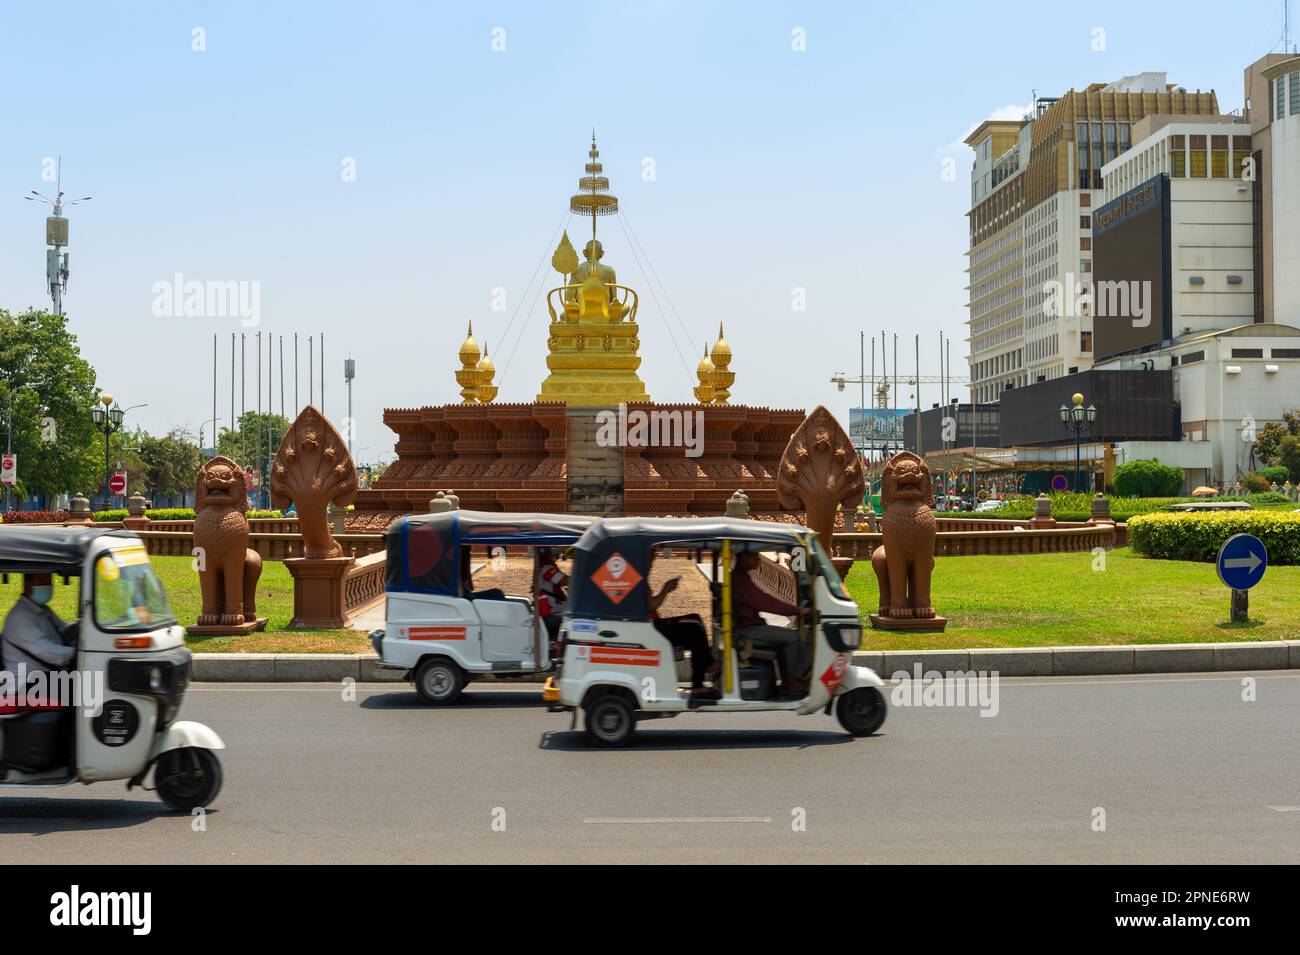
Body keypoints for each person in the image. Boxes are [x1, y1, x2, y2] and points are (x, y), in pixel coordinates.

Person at [731, 550, 808, 698]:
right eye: (754, 555)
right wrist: (797, 610)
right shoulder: (739, 579)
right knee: (793, 638)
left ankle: (786, 681)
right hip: (747, 630)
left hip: (749, 626)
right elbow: (765, 602)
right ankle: (794, 682)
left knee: (782, 639)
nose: (758, 559)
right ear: (743, 557)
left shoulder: (741, 577)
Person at [647, 559, 719, 700]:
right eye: (649, 558)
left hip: (652, 623)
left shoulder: (639, 577)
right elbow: (652, 605)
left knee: (694, 617)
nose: (651, 563)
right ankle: (697, 685)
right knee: (693, 631)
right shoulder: (637, 579)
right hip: (650, 627)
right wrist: (666, 589)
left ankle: (707, 662)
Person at [2, 573, 75, 689]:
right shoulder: (20, 616)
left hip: (46, 677)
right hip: (26, 684)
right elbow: (46, 652)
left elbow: (63, 630)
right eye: (40, 582)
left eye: (49, 583)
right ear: (27, 586)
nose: (46, 586)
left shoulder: (42, 609)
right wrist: (76, 653)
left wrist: (81, 626)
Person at [535, 548, 569, 644]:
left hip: (552, 605)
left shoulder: (543, 565)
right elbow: (563, 580)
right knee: (576, 614)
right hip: (553, 608)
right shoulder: (547, 567)